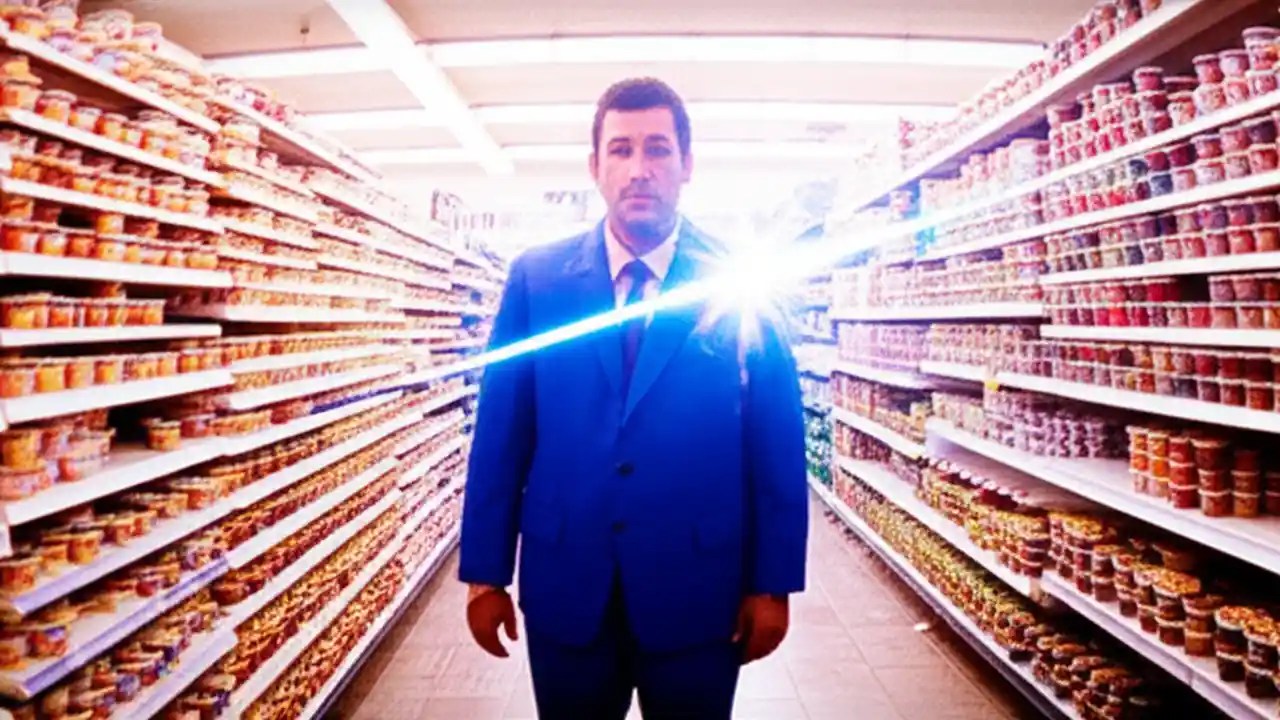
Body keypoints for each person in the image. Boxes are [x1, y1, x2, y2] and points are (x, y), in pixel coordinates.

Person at [458, 76, 808, 720]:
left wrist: (774, 581)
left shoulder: (739, 278)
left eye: (658, 150)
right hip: (567, 587)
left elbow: (777, 437)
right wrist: (485, 570)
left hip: (701, 594)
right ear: (594, 167)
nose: (639, 169)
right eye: (620, 150)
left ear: (687, 165)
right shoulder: (538, 278)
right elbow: (503, 430)